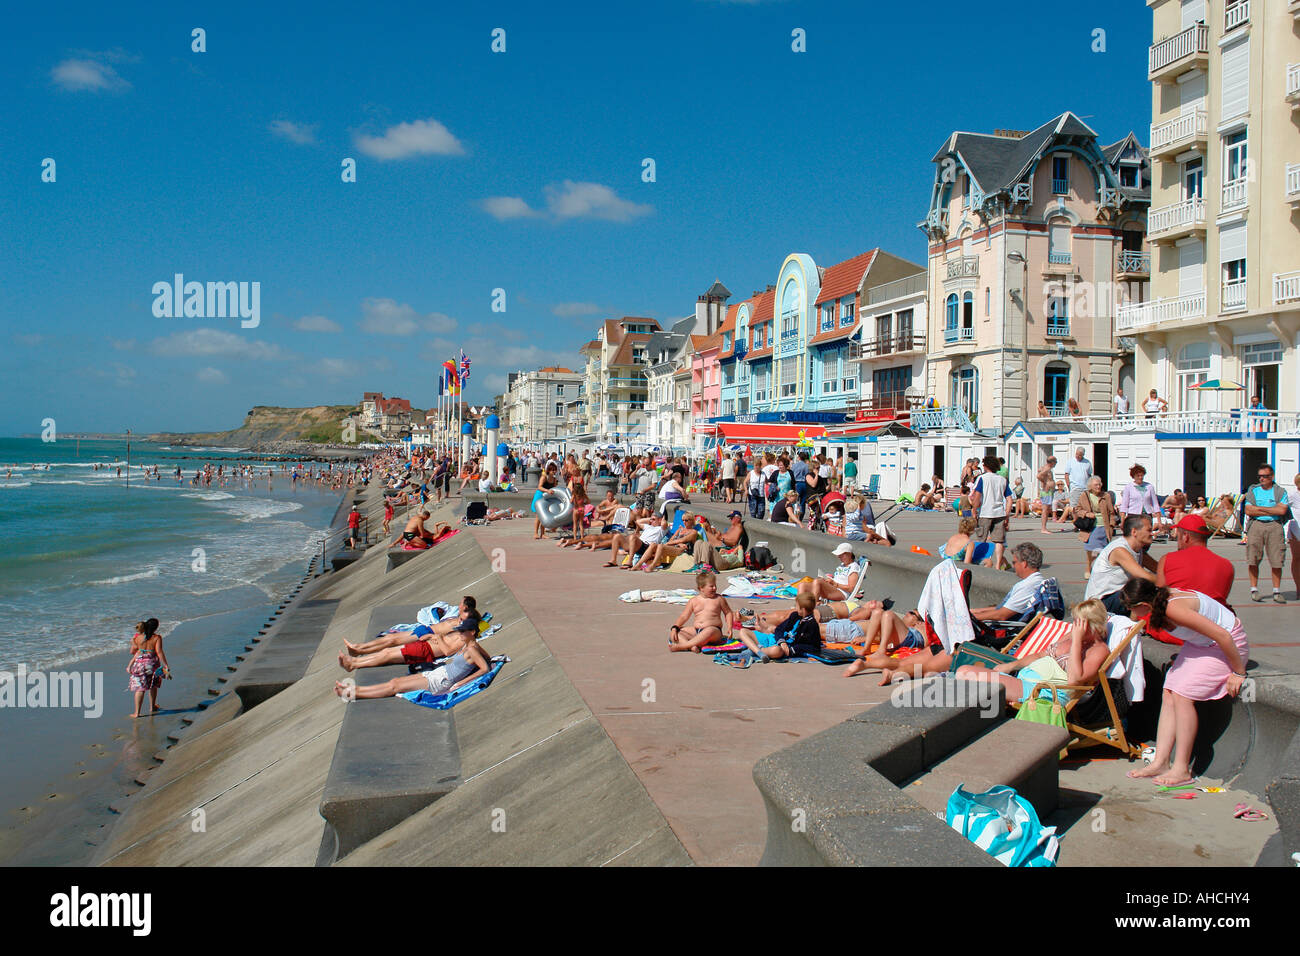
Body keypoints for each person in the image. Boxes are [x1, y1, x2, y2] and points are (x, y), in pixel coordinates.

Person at [1122, 579, 1248, 787]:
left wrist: (1238, 672)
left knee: (1183, 695)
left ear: (1144, 604)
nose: (1132, 612)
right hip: (1201, 644)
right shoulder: (1161, 600)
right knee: (1169, 690)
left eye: (1132, 608)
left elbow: (1223, 635)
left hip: (1227, 645)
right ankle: (1161, 761)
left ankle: (1181, 768)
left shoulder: (1173, 608)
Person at [879, 543, 1047, 687]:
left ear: (1025, 564)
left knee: (936, 660)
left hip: (998, 637)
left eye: (1015, 562)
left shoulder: (1028, 587)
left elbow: (1001, 615)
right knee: (932, 656)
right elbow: (1000, 610)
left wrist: (966, 618)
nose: (1014, 565)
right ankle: (894, 668)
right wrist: (971, 614)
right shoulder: (1031, 583)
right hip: (995, 629)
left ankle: (893, 670)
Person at [953, 599, 1113, 709]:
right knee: (965, 671)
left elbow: (1073, 681)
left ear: (1092, 625)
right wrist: (1009, 666)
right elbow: (1041, 655)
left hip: (1044, 693)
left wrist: (1077, 642)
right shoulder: (1071, 635)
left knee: (965, 674)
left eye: (1079, 622)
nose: (1074, 625)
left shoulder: (1099, 650)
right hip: (1025, 681)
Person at [336, 628, 490, 701]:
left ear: (471, 633)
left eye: (463, 633)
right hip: (439, 674)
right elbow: (488, 658)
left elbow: (485, 668)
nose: (459, 635)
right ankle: (354, 689)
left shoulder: (472, 649)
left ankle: (353, 693)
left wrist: (461, 683)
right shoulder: (473, 646)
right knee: (394, 682)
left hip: (442, 681)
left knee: (395, 686)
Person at [341, 597, 482, 670]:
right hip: (427, 634)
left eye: (462, 606)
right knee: (390, 639)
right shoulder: (457, 621)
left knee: (390, 645)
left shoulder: (461, 630)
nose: (459, 607)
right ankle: (358, 650)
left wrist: (436, 636)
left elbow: (449, 649)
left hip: (427, 641)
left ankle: (355, 658)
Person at [1157, 514, 1234, 608]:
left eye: (1178, 535)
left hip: (1178, 618)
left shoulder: (1167, 560)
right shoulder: (1227, 565)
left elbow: (1160, 599)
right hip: (1214, 620)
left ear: (1185, 536)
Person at [1085, 514, 1157, 613]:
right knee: (1145, 596)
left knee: (1152, 593)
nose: (1152, 534)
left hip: (1118, 596)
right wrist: (1169, 585)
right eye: (1149, 530)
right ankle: (1135, 626)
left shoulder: (1138, 550)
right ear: (1134, 532)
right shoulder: (1119, 550)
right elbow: (1144, 576)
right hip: (1100, 603)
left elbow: (1158, 568)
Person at [1243, 463, 1288, 603]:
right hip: (1256, 525)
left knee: (1277, 560)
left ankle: (1276, 592)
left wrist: (1259, 508)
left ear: (1272, 476)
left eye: (1265, 476)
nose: (1262, 479)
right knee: (1253, 558)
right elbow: (1249, 511)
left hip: (1275, 526)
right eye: (1260, 476)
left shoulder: (1280, 491)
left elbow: (1282, 511)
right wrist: (1271, 508)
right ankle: (1254, 590)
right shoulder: (1253, 490)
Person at [734, 592, 822, 661]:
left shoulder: (812, 625)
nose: (795, 608)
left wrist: (792, 650)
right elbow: (780, 629)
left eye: (797, 606)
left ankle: (755, 650)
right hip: (774, 639)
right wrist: (781, 641)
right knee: (743, 631)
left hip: (782, 649)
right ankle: (757, 652)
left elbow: (814, 647)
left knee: (777, 651)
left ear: (803, 609)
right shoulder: (795, 616)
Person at [668, 572, 734, 652]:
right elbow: (684, 616)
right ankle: (692, 646)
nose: (714, 588)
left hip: (714, 631)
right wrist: (675, 628)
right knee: (676, 633)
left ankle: (683, 646)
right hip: (697, 631)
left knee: (709, 631)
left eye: (715, 585)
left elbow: (728, 613)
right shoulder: (693, 601)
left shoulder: (719, 599)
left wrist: (730, 627)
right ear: (701, 588)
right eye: (711, 586)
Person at [968, 455, 1012, 571]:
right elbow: (1009, 499)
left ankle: (982, 562)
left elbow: (977, 496)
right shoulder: (1003, 480)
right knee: (999, 540)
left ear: (985, 465)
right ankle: (998, 565)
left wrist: (974, 510)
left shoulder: (982, 478)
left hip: (985, 512)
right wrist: (1007, 514)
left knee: (981, 538)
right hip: (999, 513)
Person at [127, 618, 170, 718]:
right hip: (152, 664)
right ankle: (152, 706)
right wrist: (166, 665)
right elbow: (159, 652)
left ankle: (137, 713)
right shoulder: (157, 638)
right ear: (156, 627)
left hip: (139, 664)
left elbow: (132, 651)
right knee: (153, 685)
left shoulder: (137, 637)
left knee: (140, 688)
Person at [1075, 475, 1116, 578]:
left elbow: (1111, 512)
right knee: (1091, 549)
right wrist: (1086, 513)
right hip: (1091, 527)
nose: (1098, 486)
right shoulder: (1085, 495)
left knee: (1102, 550)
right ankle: (1088, 568)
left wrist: (1112, 525)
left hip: (1104, 526)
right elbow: (1077, 510)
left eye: (1099, 484)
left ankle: (1100, 570)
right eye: (1096, 485)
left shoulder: (1106, 496)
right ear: (1090, 486)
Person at [1118, 464, 1164, 537]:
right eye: (1138, 476)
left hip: (1146, 515)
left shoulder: (1149, 487)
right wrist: (1122, 521)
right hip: (1133, 515)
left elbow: (1155, 504)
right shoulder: (1128, 487)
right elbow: (1124, 505)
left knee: (1146, 536)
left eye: (1142, 475)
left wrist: (1159, 521)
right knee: (1134, 536)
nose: (1140, 477)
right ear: (1133, 476)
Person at [1037, 456, 1058, 534]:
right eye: (1055, 462)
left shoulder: (1045, 467)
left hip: (1048, 491)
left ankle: (1044, 528)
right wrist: (1045, 482)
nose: (1056, 463)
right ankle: (1043, 528)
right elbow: (1038, 476)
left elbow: (1039, 471)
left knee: (1046, 510)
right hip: (1047, 492)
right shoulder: (1047, 468)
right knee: (1045, 510)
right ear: (1052, 462)